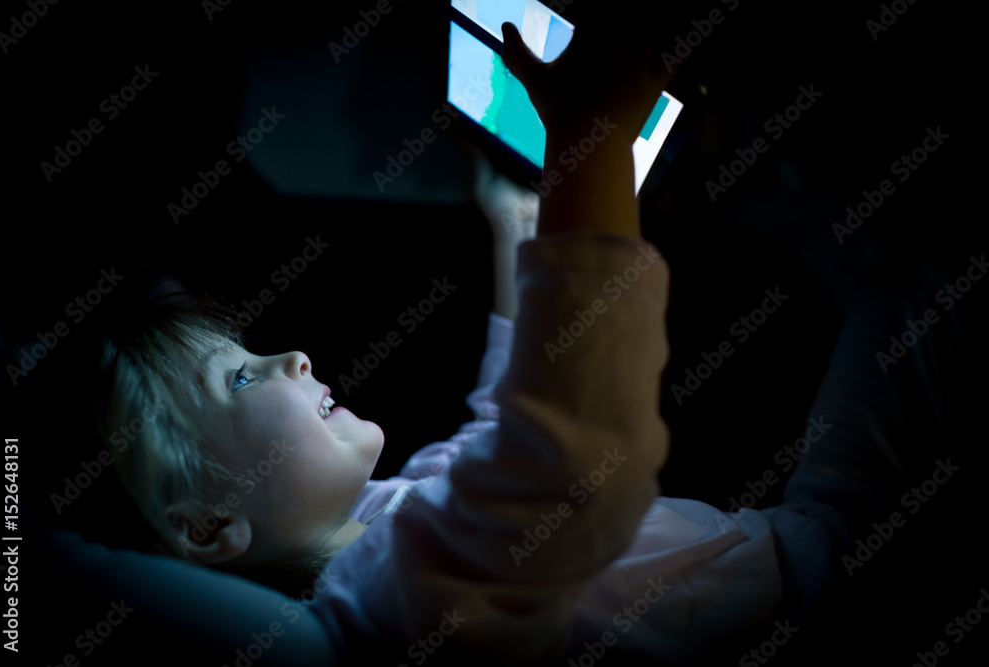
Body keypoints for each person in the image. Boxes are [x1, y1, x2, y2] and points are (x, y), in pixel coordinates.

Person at [90, 9, 965, 666]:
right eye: (241, 379)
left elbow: (502, 416)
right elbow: (562, 452)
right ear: (210, 527)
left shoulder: (386, 511)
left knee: (897, 290)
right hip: (826, 591)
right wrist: (593, 142)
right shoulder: (398, 600)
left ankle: (821, 226)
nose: (293, 356)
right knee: (919, 295)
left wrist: (514, 221)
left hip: (793, 531)